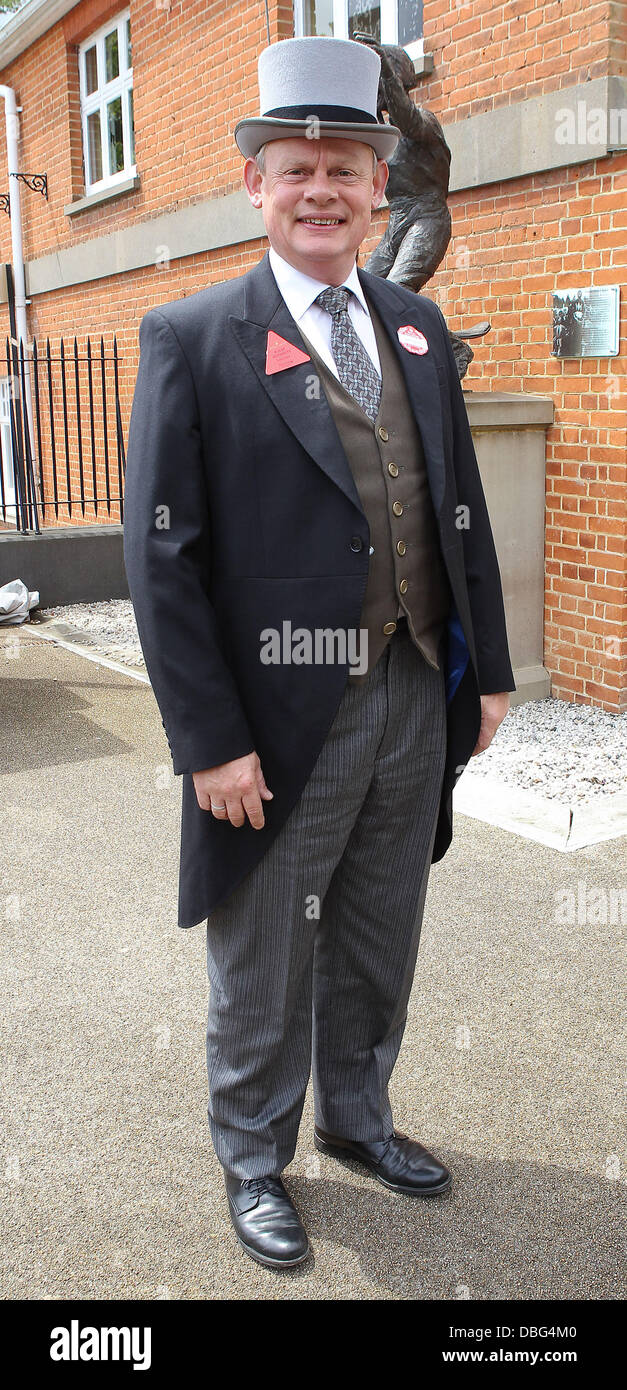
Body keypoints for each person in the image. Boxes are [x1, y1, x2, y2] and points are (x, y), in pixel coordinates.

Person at [123, 35, 515, 1271]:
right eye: (298, 167)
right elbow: (163, 561)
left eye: (346, 167)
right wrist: (210, 741)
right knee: (266, 946)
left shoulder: (411, 325)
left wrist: (487, 668)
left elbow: (456, 504)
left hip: (411, 689)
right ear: (256, 183)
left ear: (379, 183)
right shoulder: (193, 336)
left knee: (377, 925)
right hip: (278, 716)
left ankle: (358, 1118)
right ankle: (253, 1156)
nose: (323, 190)